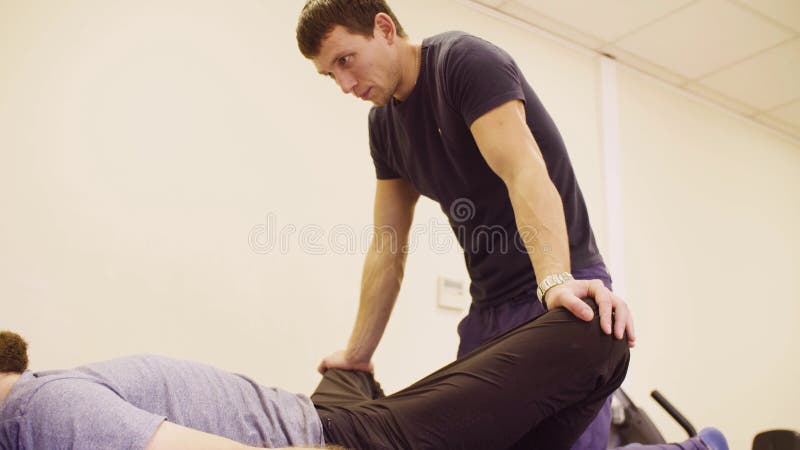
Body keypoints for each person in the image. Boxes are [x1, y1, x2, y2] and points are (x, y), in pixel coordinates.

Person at [295, 1, 635, 448]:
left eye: (344, 61)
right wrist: (358, 355)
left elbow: (524, 171)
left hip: (561, 286)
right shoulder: (383, 126)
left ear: (384, 28)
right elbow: (387, 246)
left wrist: (555, 281)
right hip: (488, 312)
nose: (343, 84)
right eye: (329, 75)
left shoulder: (463, 62)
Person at [1, 298, 633, 449]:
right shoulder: (39, 410)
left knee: (343, 369)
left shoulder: (42, 400)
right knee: (594, 336)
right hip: (337, 440)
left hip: (320, 416)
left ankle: (351, 376)